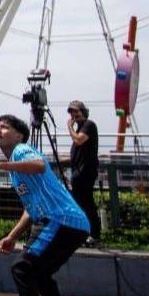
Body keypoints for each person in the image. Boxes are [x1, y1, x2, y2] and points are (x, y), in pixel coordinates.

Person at [0, 114, 90, 296]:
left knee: (22, 268)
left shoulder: (21, 150)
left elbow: (39, 166)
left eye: (4, 127)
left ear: (19, 135)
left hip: (59, 219)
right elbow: (30, 208)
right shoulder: (15, 171)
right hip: (72, 223)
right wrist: (12, 236)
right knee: (41, 276)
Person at [65, 100, 101, 242]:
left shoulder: (88, 125)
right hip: (78, 171)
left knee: (86, 203)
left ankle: (93, 233)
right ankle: (86, 232)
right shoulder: (80, 128)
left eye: (76, 111)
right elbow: (76, 153)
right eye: (72, 112)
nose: (74, 114)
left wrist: (69, 127)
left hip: (85, 172)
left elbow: (79, 140)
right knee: (81, 203)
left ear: (83, 111)